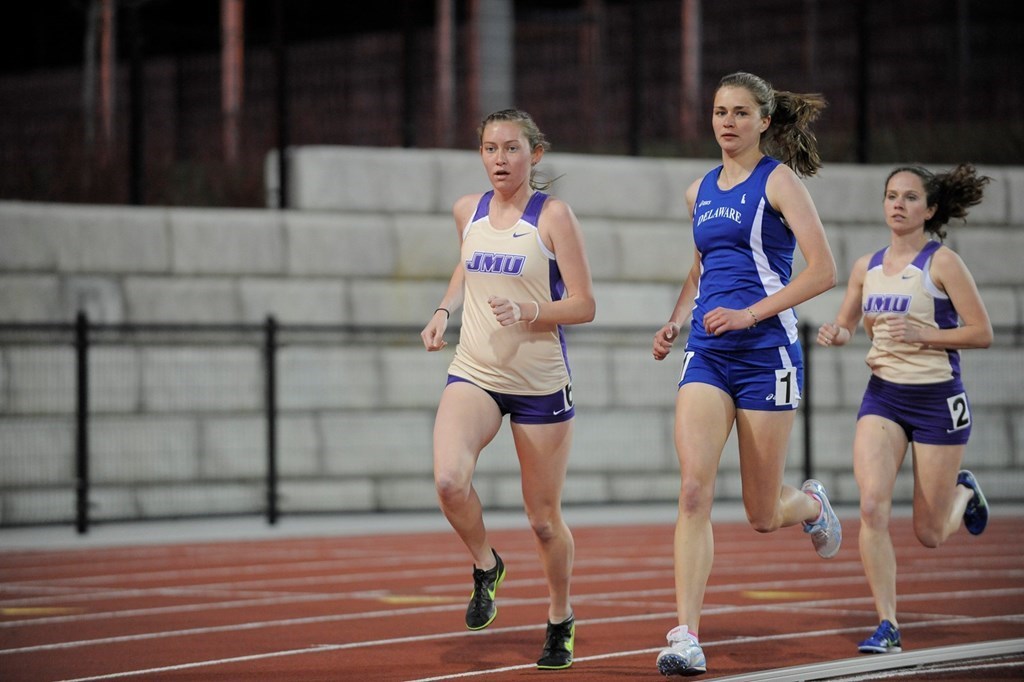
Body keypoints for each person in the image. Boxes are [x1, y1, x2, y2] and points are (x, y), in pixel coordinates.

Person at [651, 71, 841, 677]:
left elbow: (823, 271)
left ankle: (809, 505)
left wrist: (751, 313)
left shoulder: (779, 182)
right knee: (693, 490)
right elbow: (702, 267)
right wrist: (676, 320)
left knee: (761, 514)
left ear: (763, 120)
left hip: (766, 352)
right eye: (719, 112)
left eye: (739, 112)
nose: (727, 122)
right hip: (708, 353)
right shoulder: (699, 191)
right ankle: (686, 636)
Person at [420, 108, 595, 670]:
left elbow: (585, 305)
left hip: (540, 384)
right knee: (449, 480)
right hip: (476, 371)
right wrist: (443, 310)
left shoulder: (553, 216)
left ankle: (560, 616)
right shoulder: (466, 211)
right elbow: (467, 265)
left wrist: (529, 310)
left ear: (534, 154)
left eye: (512, 148)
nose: (500, 159)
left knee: (543, 520)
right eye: (490, 149)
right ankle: (485, 564)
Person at [816, 163, 992, 655]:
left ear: (930, 210)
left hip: (937, 400)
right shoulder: (866, 267)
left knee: (930, 534)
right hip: (884, 397)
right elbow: (849, 323)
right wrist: (837, 333)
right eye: (892, 195)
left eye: (910, 197)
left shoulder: (944, 264)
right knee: (872, 506)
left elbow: (982, 332)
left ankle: (964, 493)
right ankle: (887, 623)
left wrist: (926, 335)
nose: (898, 204)